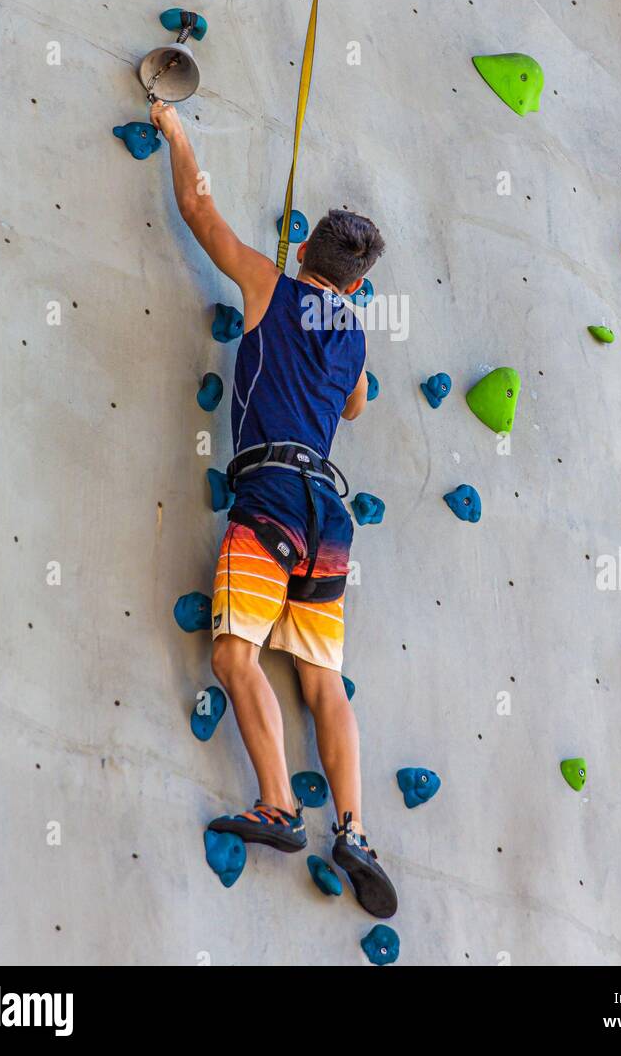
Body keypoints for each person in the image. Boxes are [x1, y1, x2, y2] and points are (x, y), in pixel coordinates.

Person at [152, 100, 397, 919]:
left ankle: (278, 805)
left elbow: (197, 210)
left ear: (303, 252)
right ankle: (355, 830)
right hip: (330, 513)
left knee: (234, 656)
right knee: (323, 682)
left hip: (271, 497)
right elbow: (357, 407)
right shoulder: (356, 331)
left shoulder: (268, 284)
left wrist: (176, 132)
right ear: (357, 282)